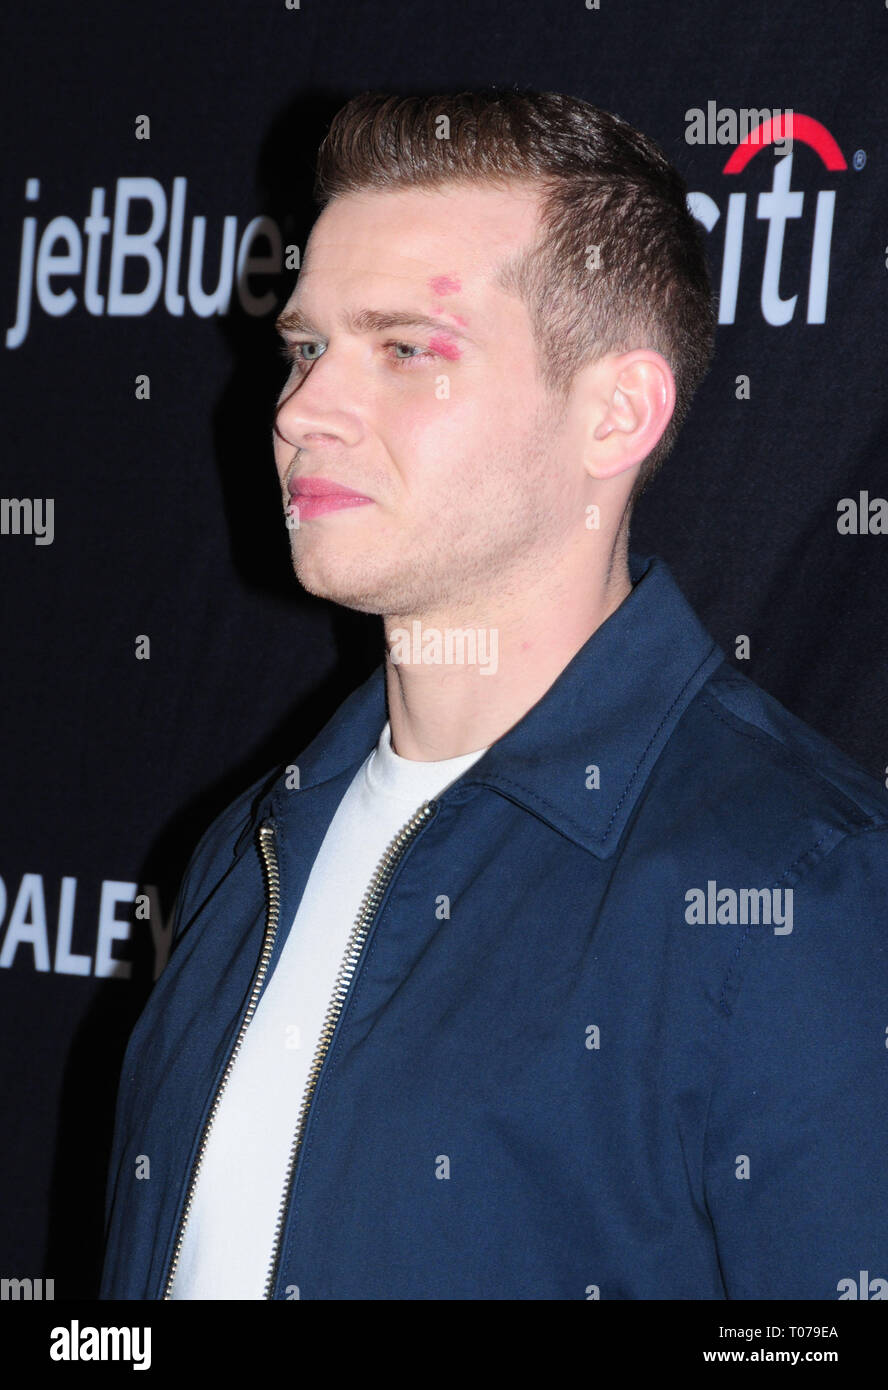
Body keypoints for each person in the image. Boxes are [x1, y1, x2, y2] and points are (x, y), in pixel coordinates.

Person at [100, 89, 888, 1301]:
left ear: (616, 412)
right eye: (306, 348)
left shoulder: (800, 888)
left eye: (406, 347)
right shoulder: (248, 847)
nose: (301, 411)